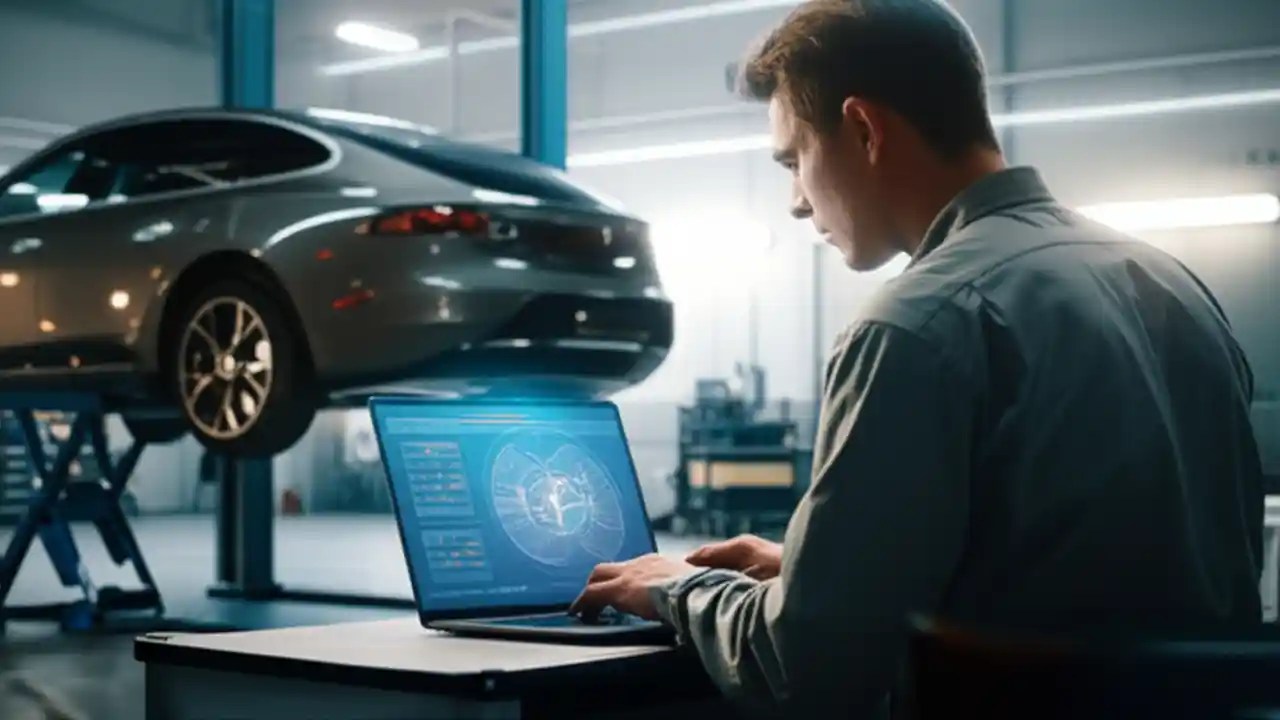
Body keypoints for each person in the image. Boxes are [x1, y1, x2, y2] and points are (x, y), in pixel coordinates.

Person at [571, 0, 1265, 717]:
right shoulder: (1172, 285)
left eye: (793, 161)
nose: (796, 204)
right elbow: (1104, 580)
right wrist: (821, 576)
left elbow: (809, 670)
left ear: (863, 129)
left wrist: (677, 588)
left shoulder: (918, 324)